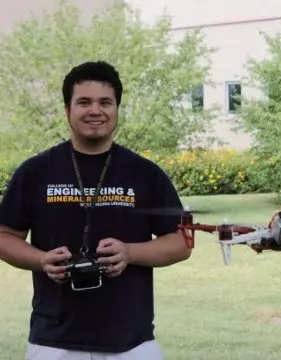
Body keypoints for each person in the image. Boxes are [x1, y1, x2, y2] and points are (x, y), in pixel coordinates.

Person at [0, 61, 192, 360]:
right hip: (54, 342)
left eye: (106, 102)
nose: (95, 110)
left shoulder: (145, 173)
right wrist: (41, 260)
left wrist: (129, 253)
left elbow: (182, 241)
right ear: (67, 110)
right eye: (84, 102)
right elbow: (4, 236)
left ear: (117, 109)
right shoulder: (36, 171)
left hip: (132, 342)